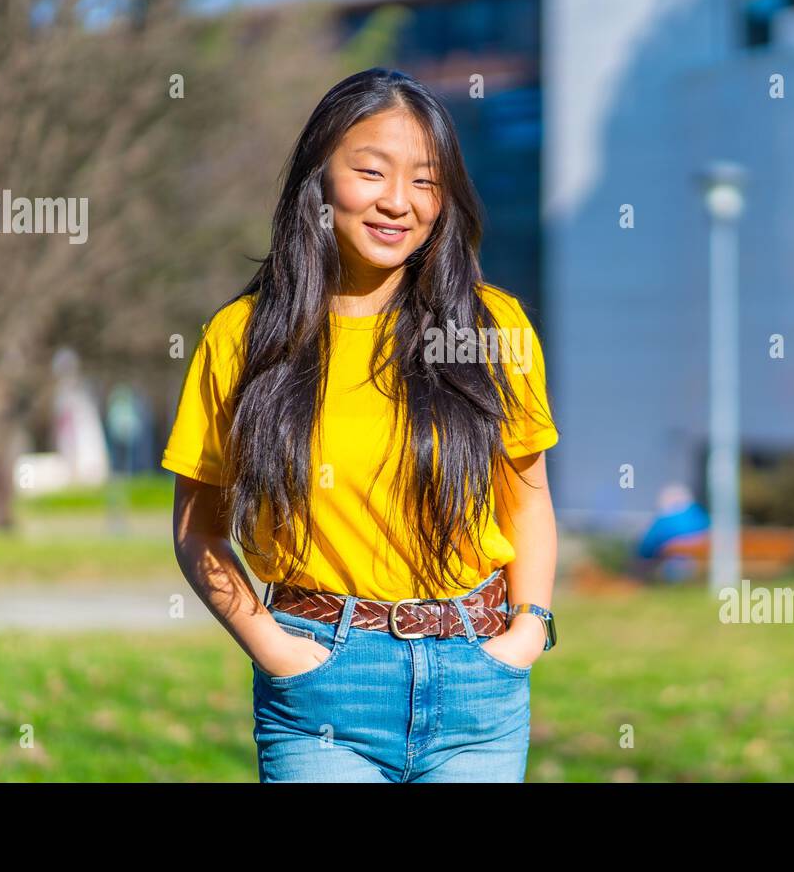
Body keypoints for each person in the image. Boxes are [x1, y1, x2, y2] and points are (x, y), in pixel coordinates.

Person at [162, 68, 561, 782]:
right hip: (321, 688)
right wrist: (275, 649)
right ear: (319, 180)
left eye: (426, 181)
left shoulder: (493, 326)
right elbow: (199, 531)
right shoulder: (242, 337)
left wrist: (529, 630)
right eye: (371, 172)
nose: (398, 202)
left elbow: (527, 500)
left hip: (479, 684)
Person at [634, 483, 709, 582]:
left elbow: (645, 549)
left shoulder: (662, 521)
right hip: (702, 568)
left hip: (673, 568)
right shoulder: (701, 516)